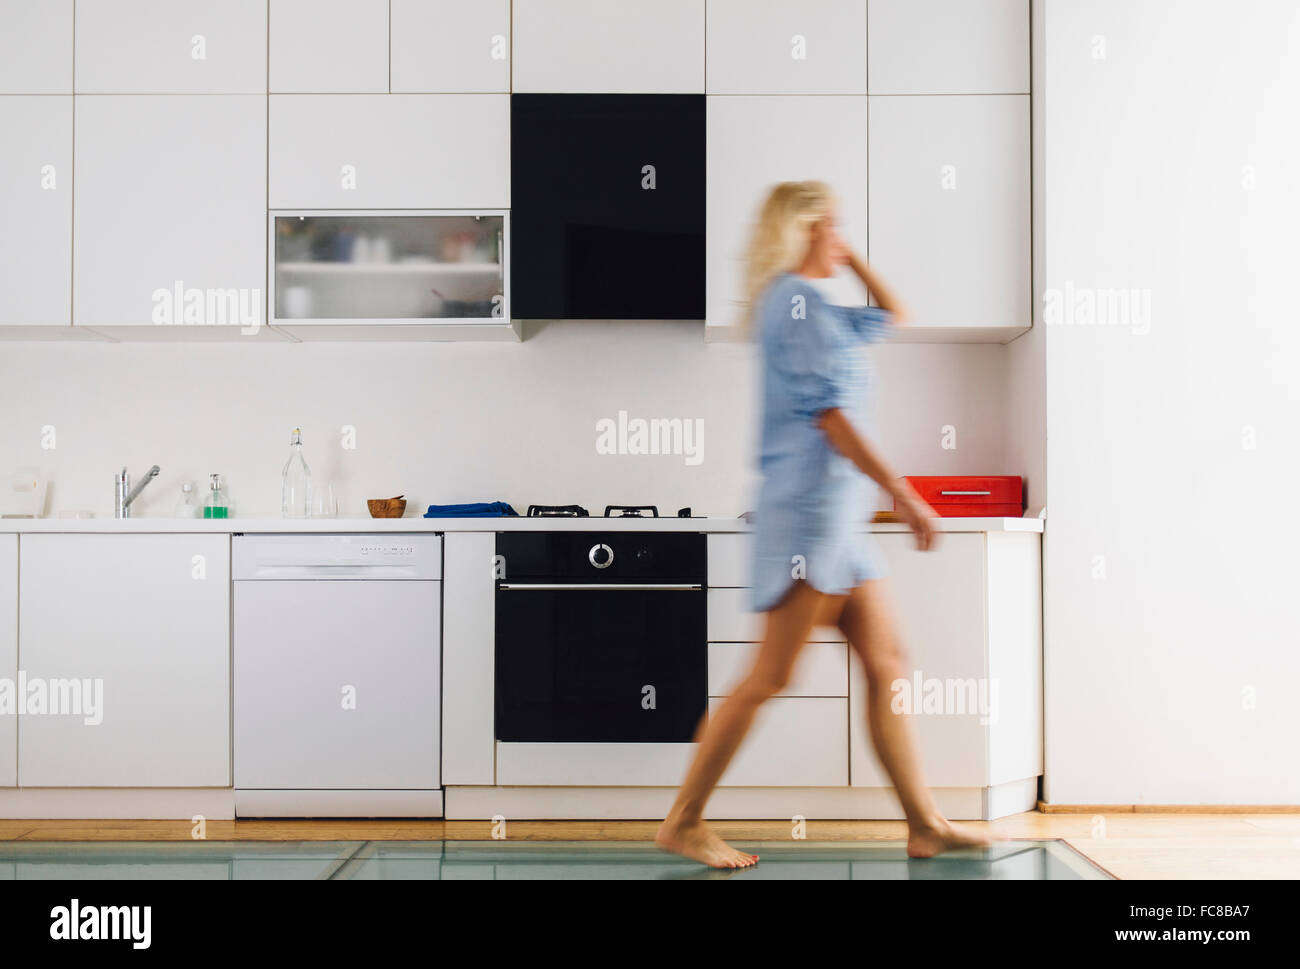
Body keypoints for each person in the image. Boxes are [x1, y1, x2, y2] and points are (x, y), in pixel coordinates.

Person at [656, 180, 993, 869]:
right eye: (829, 225)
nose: (840, 235)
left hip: (840, 522)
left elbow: (895, 313)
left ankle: (925, 822)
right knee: (768, 676)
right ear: (801, 230)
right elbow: (833, 416)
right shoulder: (797, 305)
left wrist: (849, 255)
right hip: (810, 518)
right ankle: (683, 821)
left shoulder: (825, 306)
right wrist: (904, 492)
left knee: (888, 661)